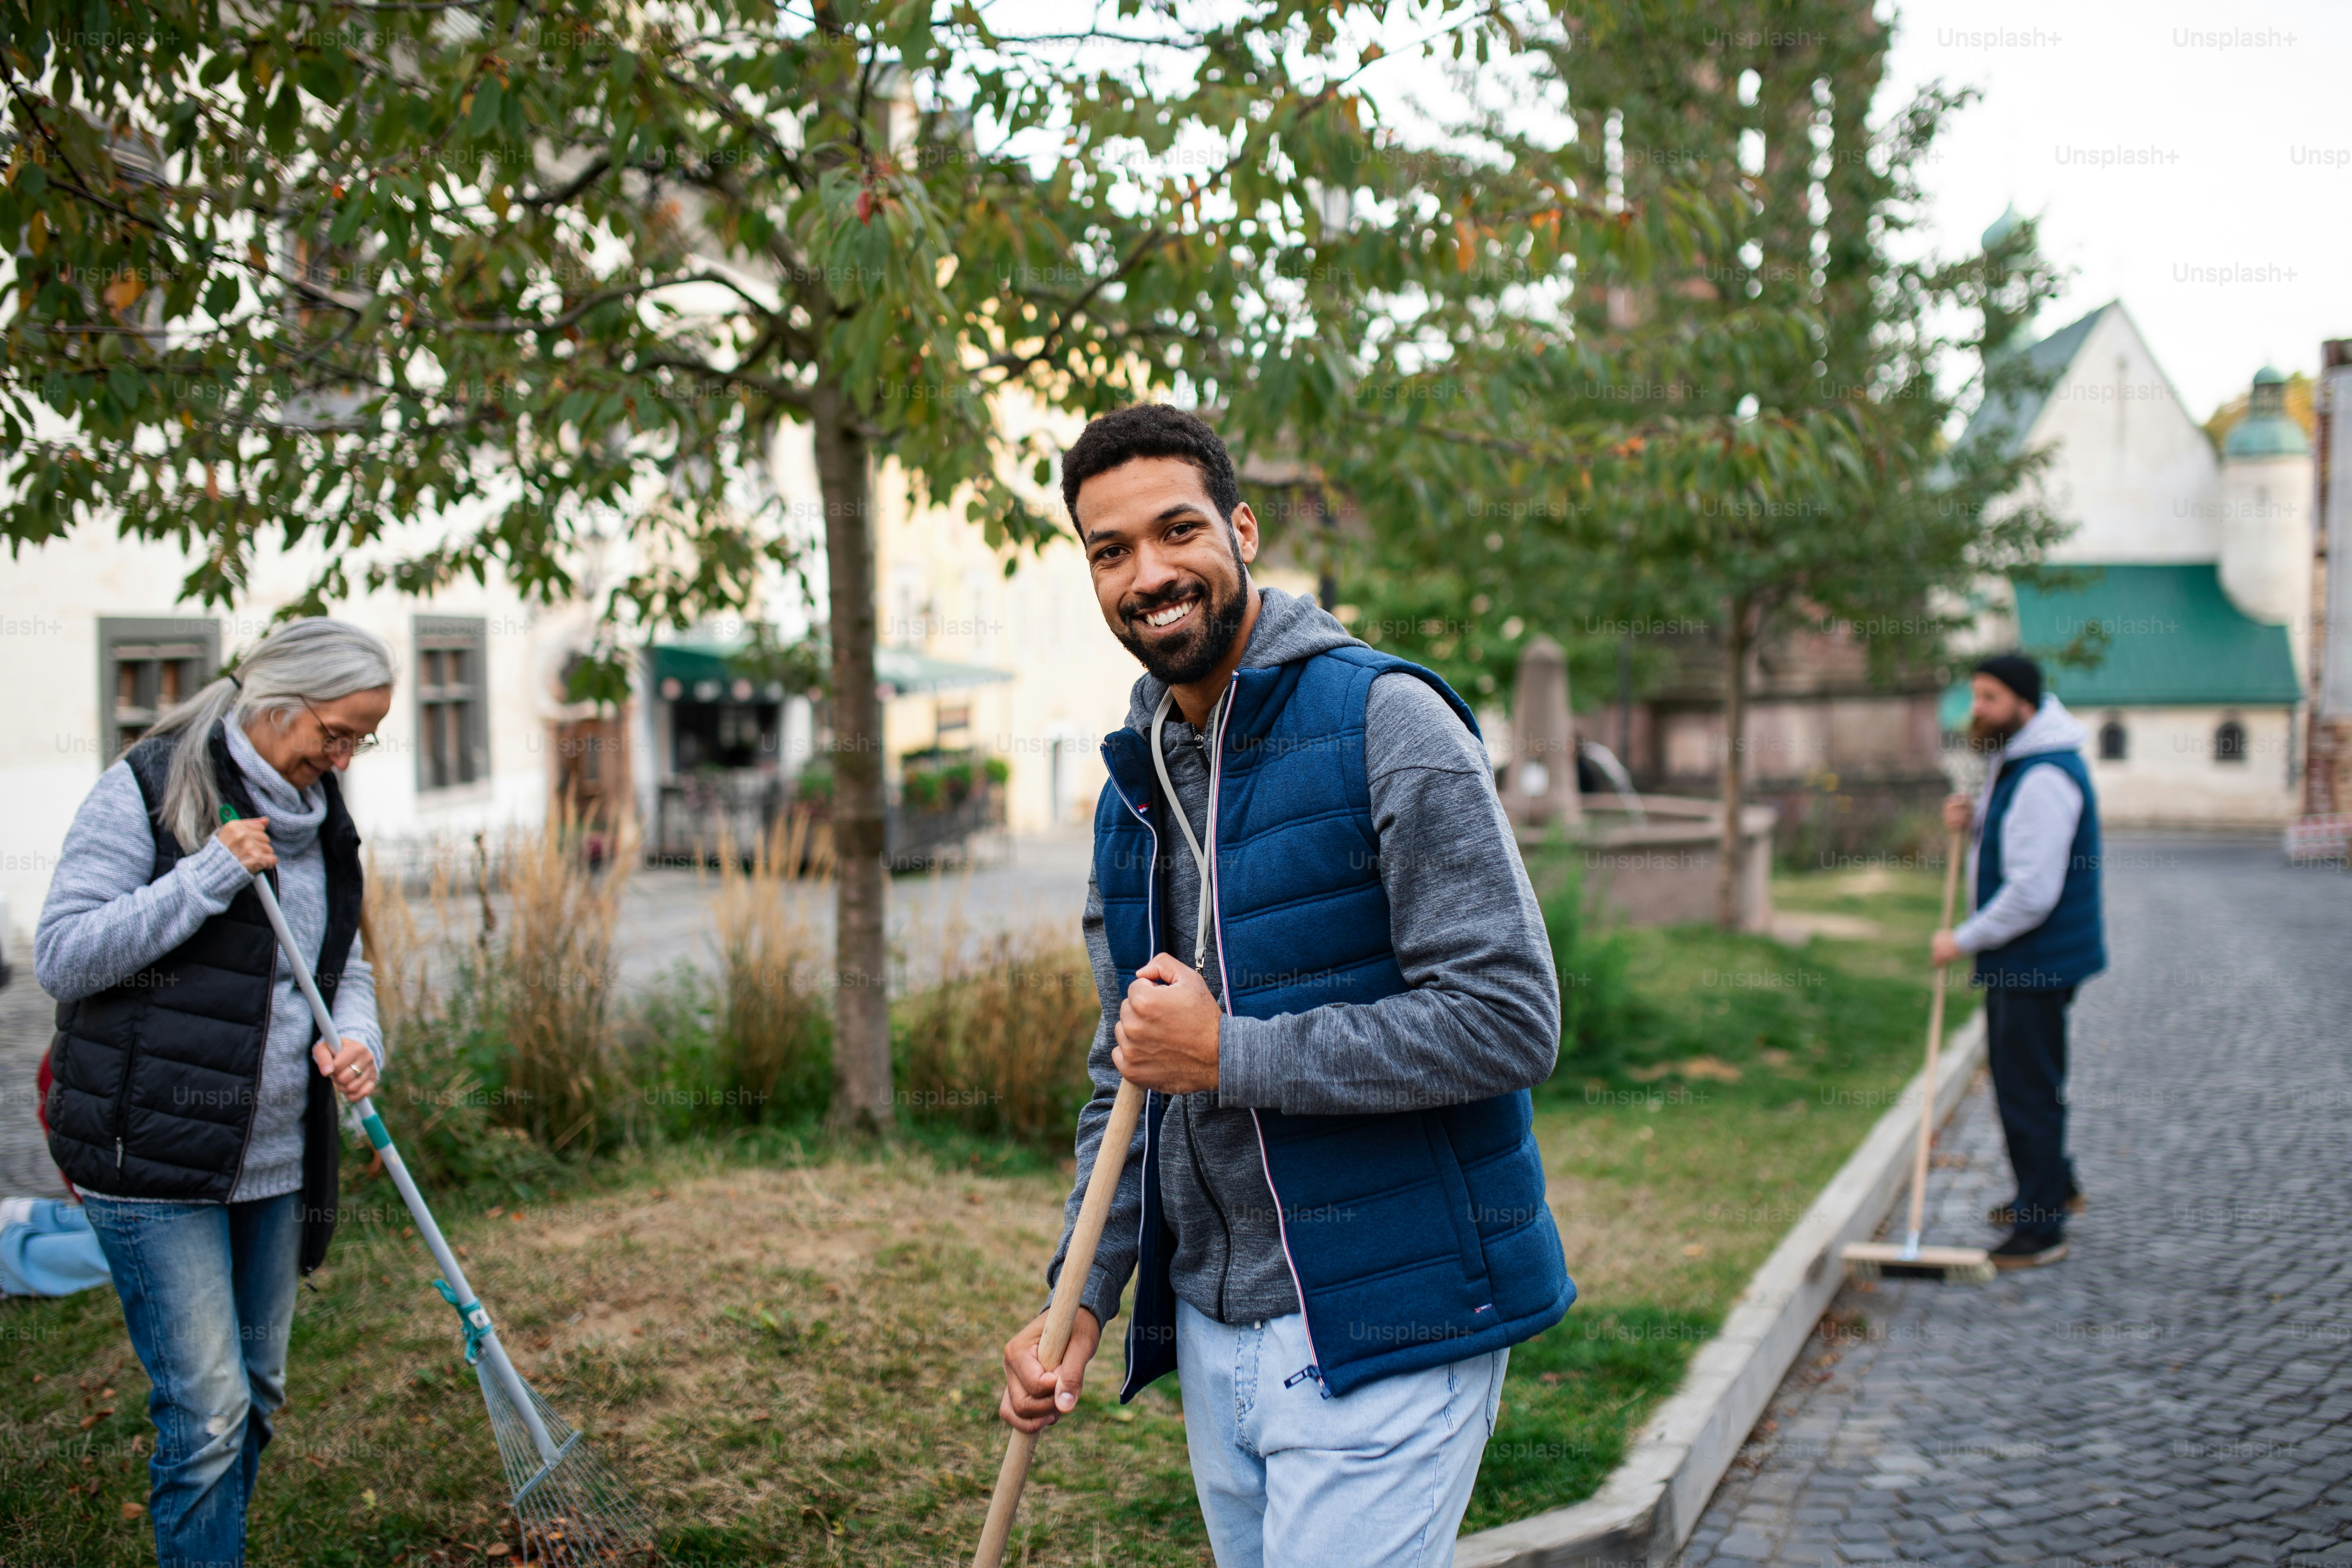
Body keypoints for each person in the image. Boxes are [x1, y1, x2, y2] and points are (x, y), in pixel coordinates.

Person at [998, 405, 1573, 1568]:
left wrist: (1231, 1054)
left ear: (1243, 529)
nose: (1149, 575)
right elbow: (1131, 1078)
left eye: (1177, 531)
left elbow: (1510, 1020)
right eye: (1111, 552)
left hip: (1390, 1320)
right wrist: (1082, 1298)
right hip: (1218, 1331)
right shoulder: (1131, 791)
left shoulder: (1387, 720)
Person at [37, 618, 394, 1568]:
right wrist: (207, 875)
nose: (346, 754)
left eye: (364, 737)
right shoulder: (151, 788)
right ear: (279, 703)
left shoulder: (325, 817)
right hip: (151, 1157)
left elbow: (342, 965)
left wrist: (359, 1038)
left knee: (257, 1396)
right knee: (207, 1414)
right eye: (338, 732)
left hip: (277, 1160)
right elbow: (63, 957)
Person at [1930, 652, 2104, 1271]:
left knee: (2026, 1088)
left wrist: (1963, 939)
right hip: (2032, 957)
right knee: (2027, 1079)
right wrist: (1977, 823)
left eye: (1989, 698)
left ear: (2023, 705)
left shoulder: (2042, 776)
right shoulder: (2022, 759)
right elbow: (2017, 846)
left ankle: (2040, 1227)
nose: (1978, 709)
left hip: (2036, 959)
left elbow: (2033, 891)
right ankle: (2053, 1187)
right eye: (1976, 695)